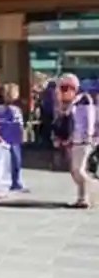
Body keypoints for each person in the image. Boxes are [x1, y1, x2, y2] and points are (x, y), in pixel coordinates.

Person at [52, 73, 96, 208]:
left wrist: (88, 135)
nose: (63, 92)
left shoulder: (83, 100)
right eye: (62, 88)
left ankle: (84, 198)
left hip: (83, 140)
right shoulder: (68, 104)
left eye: (66, 88)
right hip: (74, 140)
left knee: (79, 170)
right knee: (75, 171)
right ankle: (85, 195)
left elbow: (89, 119)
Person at [0, 83, 27, 192]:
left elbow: (20, 124)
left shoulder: (13, 109)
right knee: (8, 160)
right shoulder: (1, 109)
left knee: (14, 160)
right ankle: (8, 181)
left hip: (11, 137)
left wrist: (22, 134)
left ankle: (15, 181)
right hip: (7, 137)